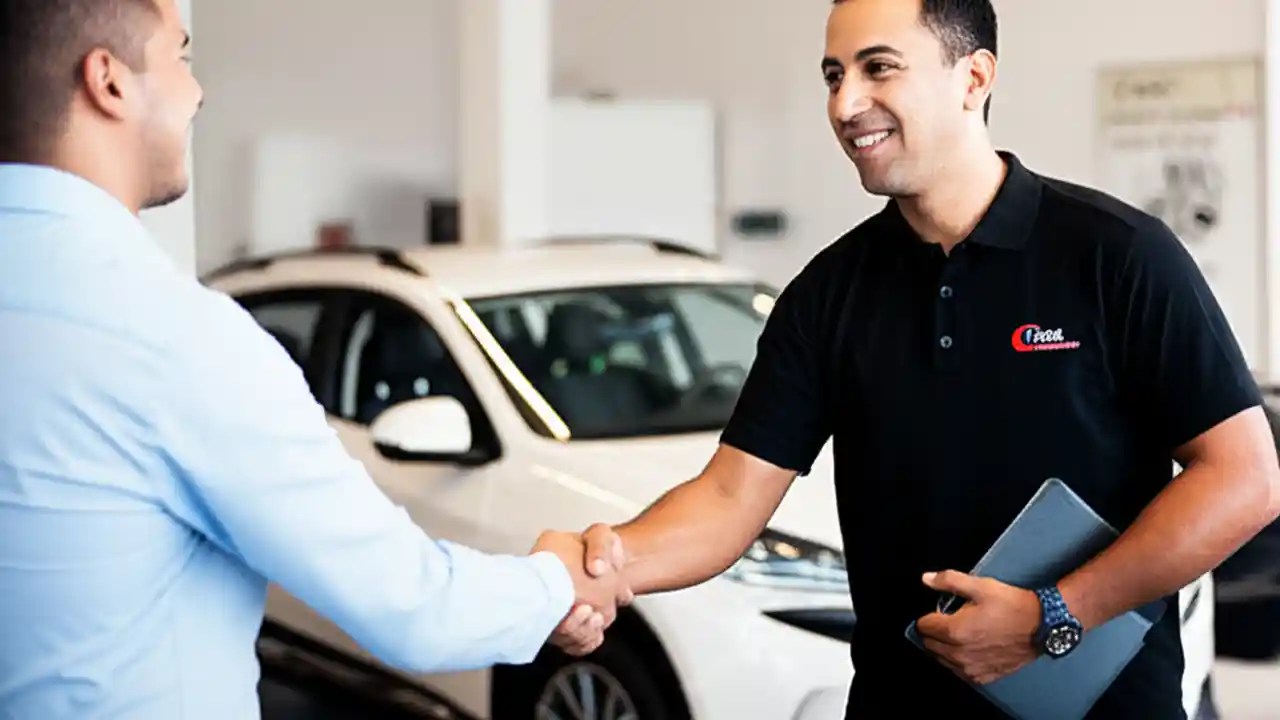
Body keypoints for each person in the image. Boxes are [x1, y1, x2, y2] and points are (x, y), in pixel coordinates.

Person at [549, 0, 1280, 716]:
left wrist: (1053, 613)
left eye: (879, 68)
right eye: (834, 75)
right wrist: (606, 564)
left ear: (974, 78)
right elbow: (727, 499)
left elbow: (1244, 479)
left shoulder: (1117, 255)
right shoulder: (827, 295)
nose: (845, 104)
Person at [0, 1, 622, 717]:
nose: (197, 93)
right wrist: (555, 583)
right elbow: (411, 606)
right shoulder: (173, 336)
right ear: (108, 81)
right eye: (180, 57)